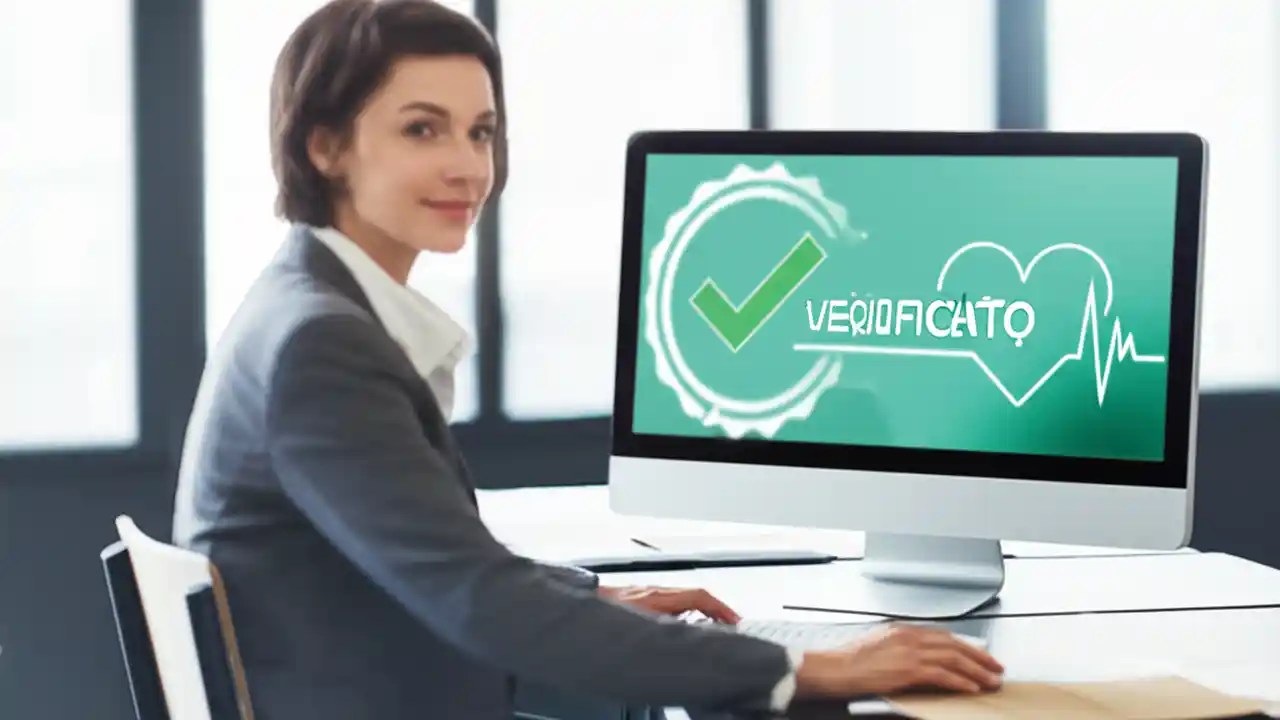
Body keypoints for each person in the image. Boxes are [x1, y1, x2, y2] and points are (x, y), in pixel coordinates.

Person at [171, 1, 1005, 717]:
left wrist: (586, 597)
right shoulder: (322, 345)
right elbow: (476, 602)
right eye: (422, 129)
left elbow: (430, 554)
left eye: (482, 131)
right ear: (326, 148)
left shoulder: (301, 299)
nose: (468, 165)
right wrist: (804, 668)